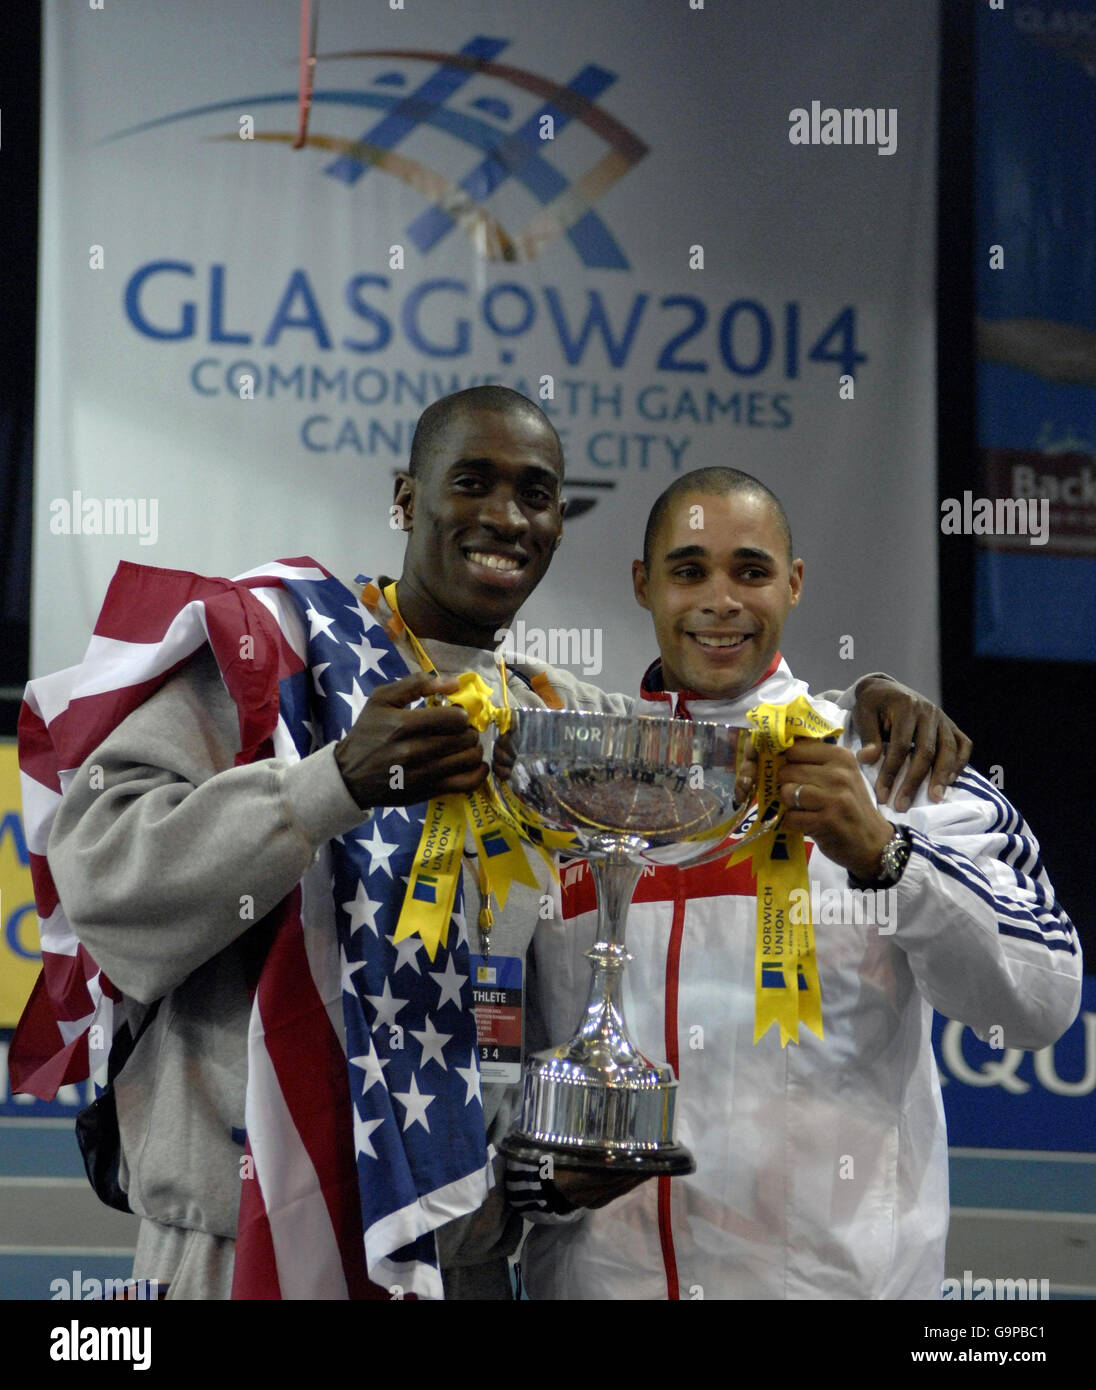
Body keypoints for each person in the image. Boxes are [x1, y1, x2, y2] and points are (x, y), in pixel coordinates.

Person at [20, 390, 971, 1300]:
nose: (505, 516)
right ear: (406, 496)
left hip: (461, 1260)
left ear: (559, 527)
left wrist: (861, 710)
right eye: (471, 481)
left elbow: (726, 747)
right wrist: (332, 782)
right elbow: (99, 879)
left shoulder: (558, 726)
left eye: (536, 495)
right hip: (252, 1244)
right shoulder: (270, 653)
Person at [521, 467, 1083, 1300]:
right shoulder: (564, 783)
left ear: (794, 583)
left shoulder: (897, 770)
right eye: (688, 571)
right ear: (643, 584)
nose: (721, 601)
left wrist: (890, 859)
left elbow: (1042, 1003)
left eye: (750, 571)